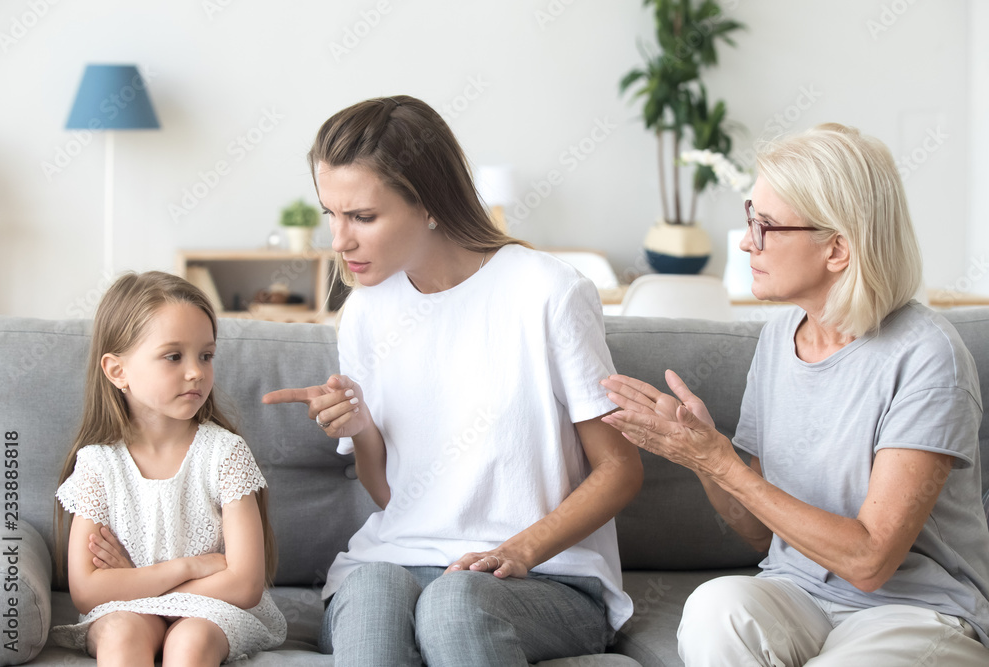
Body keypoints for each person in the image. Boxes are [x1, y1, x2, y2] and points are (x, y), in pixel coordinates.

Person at [263, 95, 643, 666]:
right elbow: (393, 497)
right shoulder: (366, 311)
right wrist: (363, 429)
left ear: (431, 203)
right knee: (369, 596)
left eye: (363, 217)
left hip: (547, 575)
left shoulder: (547, 293)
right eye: (331, 215)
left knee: (455, 604)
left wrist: (519, 550)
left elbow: (620, 468)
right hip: (397, 556)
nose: (339, 241)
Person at [602, 124, 989, 666]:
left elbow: (870, 561)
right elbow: (762, 535)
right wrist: (700, 452)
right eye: (748, 219)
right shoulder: (779, 338)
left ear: (837, 249)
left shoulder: (926, 356)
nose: (744, 242)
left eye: (765, 226)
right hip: (798, 593)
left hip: (915, 610)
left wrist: (720, 463)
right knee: (718, 606)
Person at [52, 271, 286, 666]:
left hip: (211, 613)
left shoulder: (225, 454)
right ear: (117, 371)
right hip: (133, 611)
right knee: (123, 633)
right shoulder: (97, 464)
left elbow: (245, 585)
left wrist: (132, 582)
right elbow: (87, 591)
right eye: (174, 356)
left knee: (190, 641)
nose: (196, 371)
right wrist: (189, 567)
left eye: (206, 355)